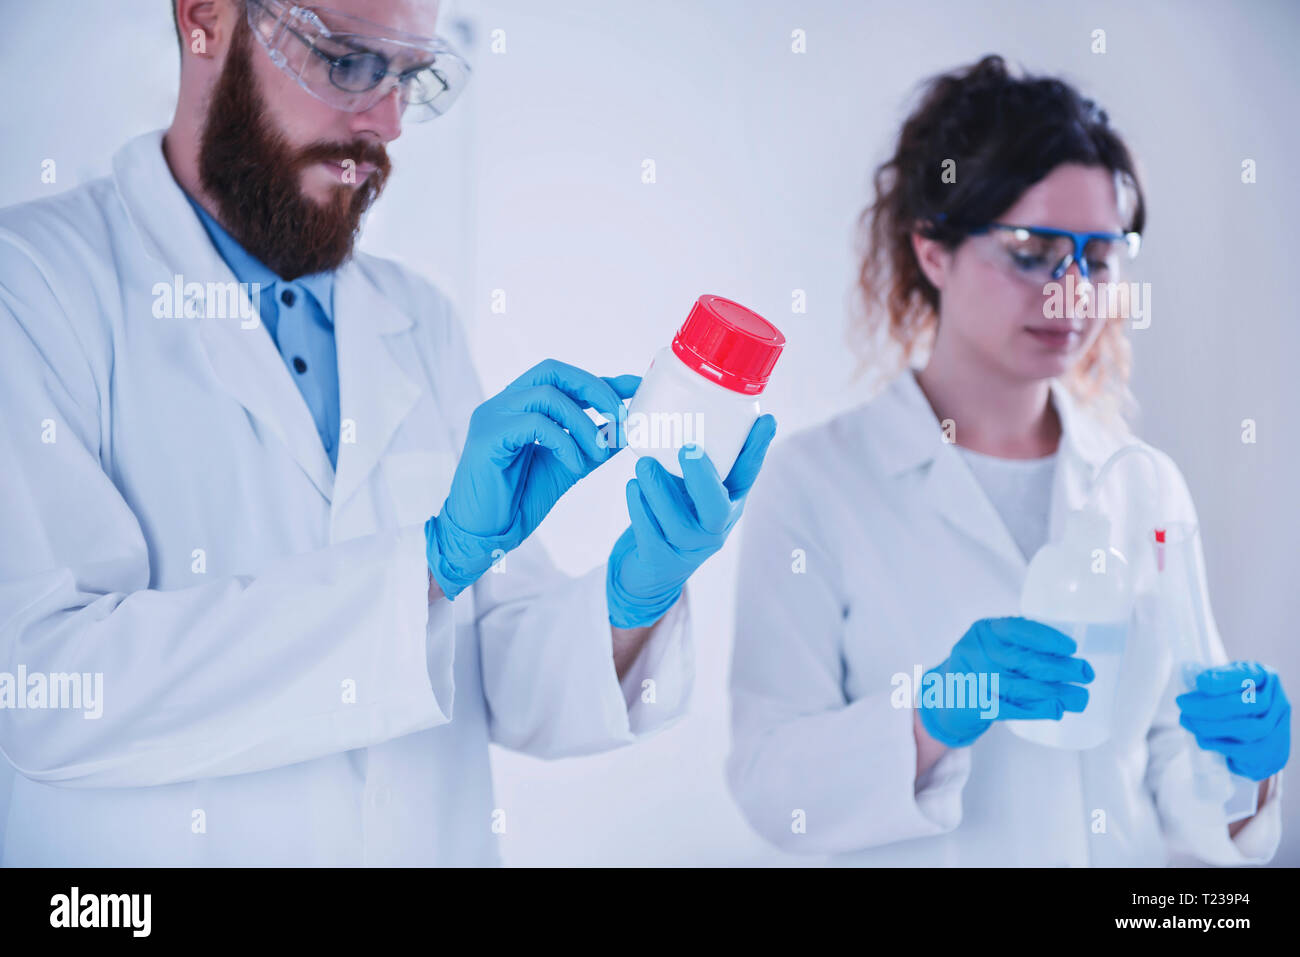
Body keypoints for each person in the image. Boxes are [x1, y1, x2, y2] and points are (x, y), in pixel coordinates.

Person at [0, 0, 774, 866]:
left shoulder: (416, 319)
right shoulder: (33, 288)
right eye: (347, 62)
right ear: (206, 19)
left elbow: (499, 681)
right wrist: (426, 567)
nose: (390, 122)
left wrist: (634, 598)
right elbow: (44, 689)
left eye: (409, 75)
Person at [726, 55, 1287, 866]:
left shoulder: (1143, 484)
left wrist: (1243, 764)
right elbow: (770, 786)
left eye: (1097, 258)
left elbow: (1170, 769)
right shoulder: (817, 481)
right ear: (933, 251)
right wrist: (930, 715)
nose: (1071, 293)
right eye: (1030, 250)